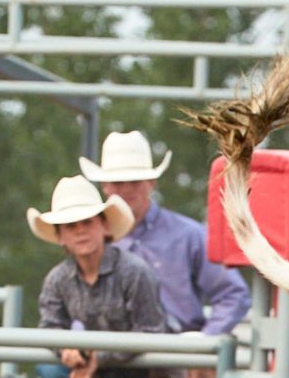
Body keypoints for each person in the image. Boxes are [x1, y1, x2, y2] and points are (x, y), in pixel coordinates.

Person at [28, 174, 194, 378]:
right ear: (60, 237)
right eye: (70, 226)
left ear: (104, 227)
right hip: (107, 371)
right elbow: (50, 326)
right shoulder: (58, 280)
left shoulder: (135, 272)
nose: (80, 231)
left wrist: (97, 356)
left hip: (155, 368)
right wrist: (69, 351)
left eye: (87, 222)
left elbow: (152, 333)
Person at [77, 129, 252, 340]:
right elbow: (77, 299)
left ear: (151, 183)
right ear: (105, 187)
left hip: (173, 353)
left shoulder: (189, 236)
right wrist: (79, 342)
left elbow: (233, 294)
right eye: (118, 182)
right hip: (108, 355)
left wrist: (204, 339)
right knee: (53, 371)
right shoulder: (92, 241)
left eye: (134, 181)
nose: (126, 189)